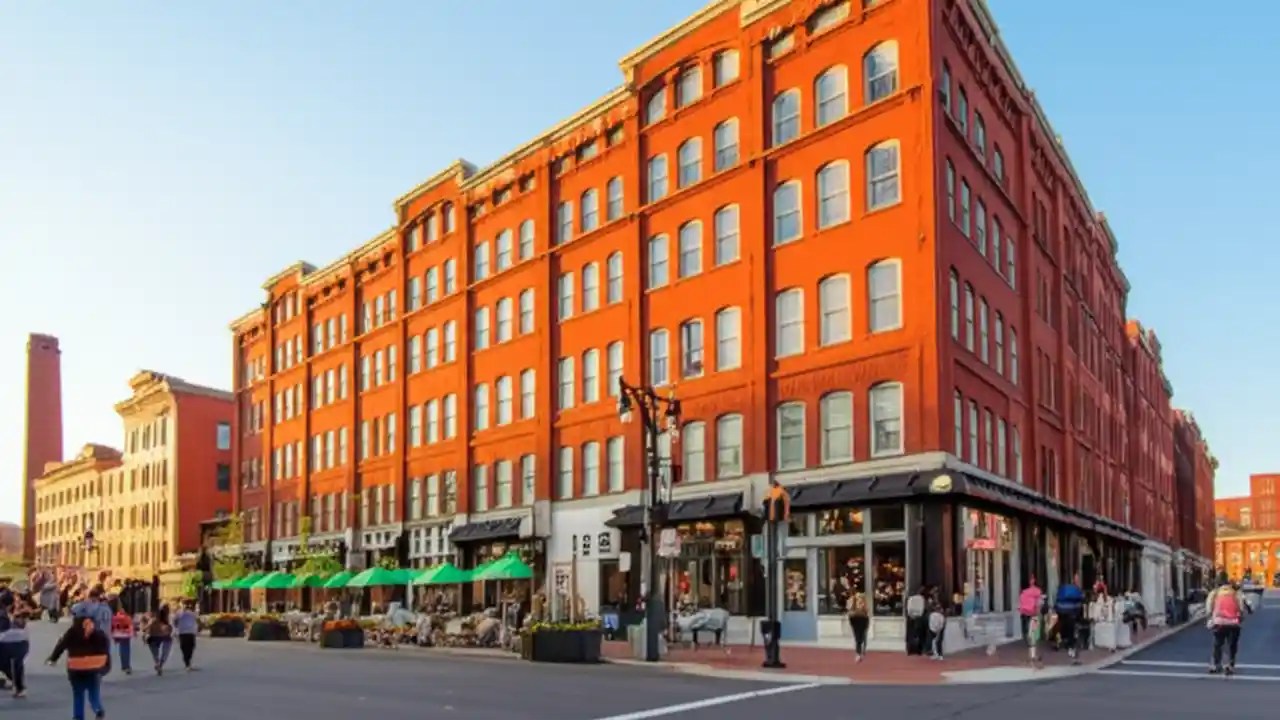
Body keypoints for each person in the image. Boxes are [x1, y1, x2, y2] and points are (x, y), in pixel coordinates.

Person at [46, 615, 109, 720]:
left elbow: (61, 645)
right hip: (93, 667)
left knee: (78, 693)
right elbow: (105, 650)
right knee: (93, 691)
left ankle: (78, 716)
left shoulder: (72, 632)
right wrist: (105, 667)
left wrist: (53, 659)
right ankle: (97, 709)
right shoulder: (98, 634)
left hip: (76, 667)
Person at [1206, 573, 1249, 675]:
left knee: (1218, 644)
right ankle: (1229, 665)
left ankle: (1216, 665)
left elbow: (1209, 607)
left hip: (1218, 622)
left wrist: (1211, 617)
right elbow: (1241, 607)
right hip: (1233, 622)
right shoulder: (1235, 592)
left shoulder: (1215, 592)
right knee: (1231, 645)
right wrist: (1240, 617)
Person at [70, 588, 113, 676]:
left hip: (95, 633)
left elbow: (74, 610)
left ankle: (94, 669)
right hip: (105, 633)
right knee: (104, 651)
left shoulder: (87, 606)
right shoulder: (106, 608)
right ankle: (104, 668)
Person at [1054, 573, 1085, 663]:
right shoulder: (1076, 590)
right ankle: (1070, 644)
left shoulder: (1063, 588)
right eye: (1077, 579)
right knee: (1070, 627)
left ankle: (1059, 642)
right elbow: (1081, 600)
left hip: (1061, 610)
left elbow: (1057, 598)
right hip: (1071, 612)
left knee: (1061, 626)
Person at [0, 607, 31, 698]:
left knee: (5, 664)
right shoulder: (9, 613)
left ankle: (16, 685)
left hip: (6, 642)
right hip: (21, 642)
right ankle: (19, 687)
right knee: (16, 665)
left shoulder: (5, 615)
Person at [145, 605, 174, 675]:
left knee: (155, 653)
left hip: (153, 638)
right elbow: (170, 630)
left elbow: (145, 628)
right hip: (166, 638)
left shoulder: (153, 620)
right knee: (165, 652)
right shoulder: (167, 621)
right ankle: (160, 664)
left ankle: (157, 663)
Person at [173, 600, 200, 670]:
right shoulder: (179, 613)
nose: (186, 606)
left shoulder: (192, 613)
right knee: (185, 648)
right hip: (184, 633)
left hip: (189, 632)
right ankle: (187, 663)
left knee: (190, 647)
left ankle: (188, 662)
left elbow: (198, 620)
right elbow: (175, 621)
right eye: (184, 604)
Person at [110, 604, 134, 675]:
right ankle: (126, 666)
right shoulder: (127, 617)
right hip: (126, 635)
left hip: (118, 634)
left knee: (122, 649)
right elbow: (130, 626)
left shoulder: (114, 617)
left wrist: (113, 636)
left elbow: (112, 627)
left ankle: (124, 665)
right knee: (126, 649)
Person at [1018, 576, 1044, 641]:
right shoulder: (1036, 590)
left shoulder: (1025, 590)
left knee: (1030, 622)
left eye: (1032, 579)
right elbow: (1039, 600)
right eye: (1031, 579)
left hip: (1028, 610)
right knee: (1031, 622)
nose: (1032, 581)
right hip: (1030, 610)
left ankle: (1030, 635)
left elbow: (1039, 599)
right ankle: (1031, 636)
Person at [847, 590, 869, 662]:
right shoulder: (862, 600)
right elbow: (866, 611)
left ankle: (859, 653)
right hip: (860, 619)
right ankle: (860, 652)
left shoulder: (852, 599)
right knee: (861, 636)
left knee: (858, 637)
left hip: (856, 619)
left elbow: (849, 611)